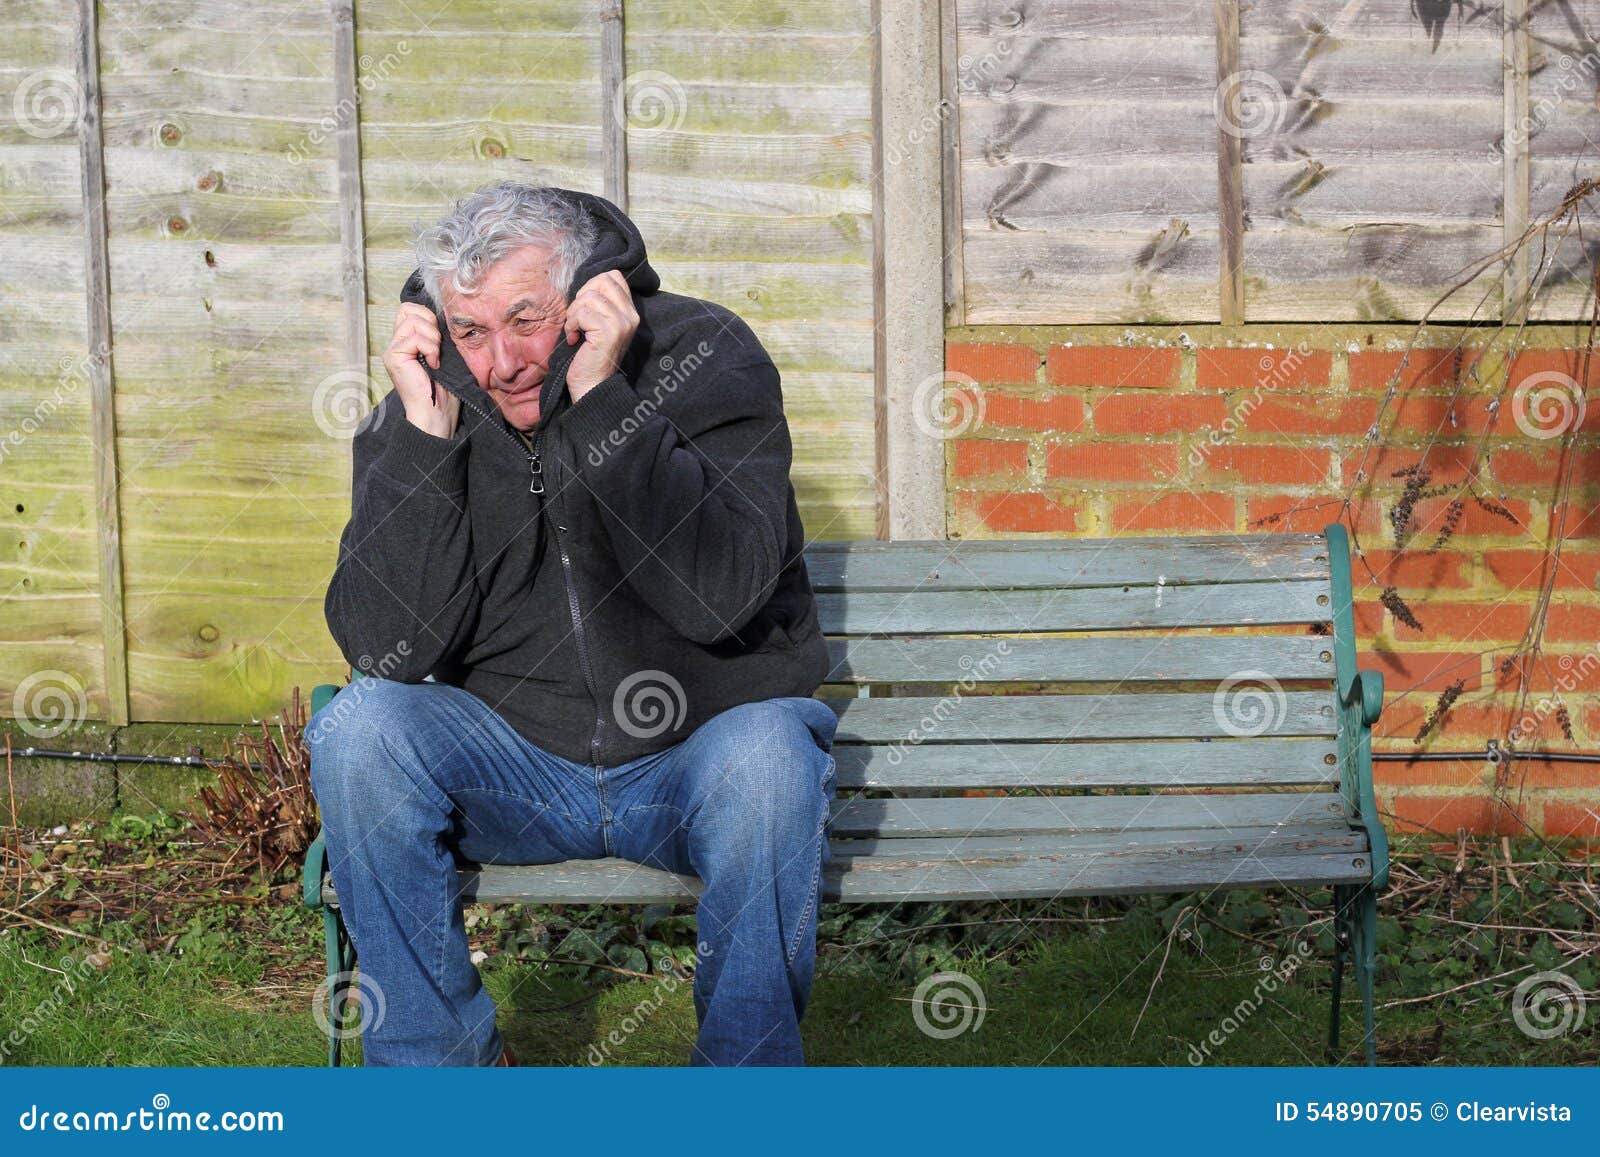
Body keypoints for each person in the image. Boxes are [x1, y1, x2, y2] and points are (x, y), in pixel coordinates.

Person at [307, 181, 837, 1067]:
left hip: (698, 756)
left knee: (774, 755)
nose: (501, 362)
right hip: (514, 766)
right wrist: (423, 445)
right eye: (469, 333)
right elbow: (384, 648)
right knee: (358, 729)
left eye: (527, 320)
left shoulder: (705, 356)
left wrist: (604, 406)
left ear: (595, 297)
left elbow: (722, 596)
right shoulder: (428, 405)